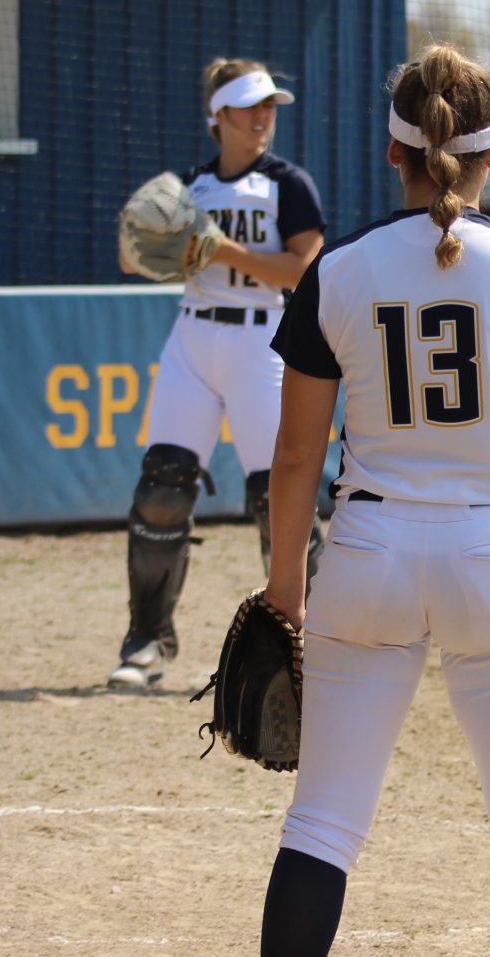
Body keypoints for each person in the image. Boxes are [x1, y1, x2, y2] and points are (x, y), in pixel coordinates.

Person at [256, 44, 490, 957]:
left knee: (322, 825)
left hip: (370, 547)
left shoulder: (338, 272)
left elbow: (298, 453)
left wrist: (284, 595)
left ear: (395, 152)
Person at [109, 59, 326, 690]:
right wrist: (138, 243)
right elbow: (133, 258)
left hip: (264, 339)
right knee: (163, 488)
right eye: (251, 106)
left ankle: (304, 646)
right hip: (193, 337)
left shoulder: (288, 183)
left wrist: (220, 249)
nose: (265, 117)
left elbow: (305, 272)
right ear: (218, 116)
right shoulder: (186, 188)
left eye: (271, 106)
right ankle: (146, 641)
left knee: (278, 498)